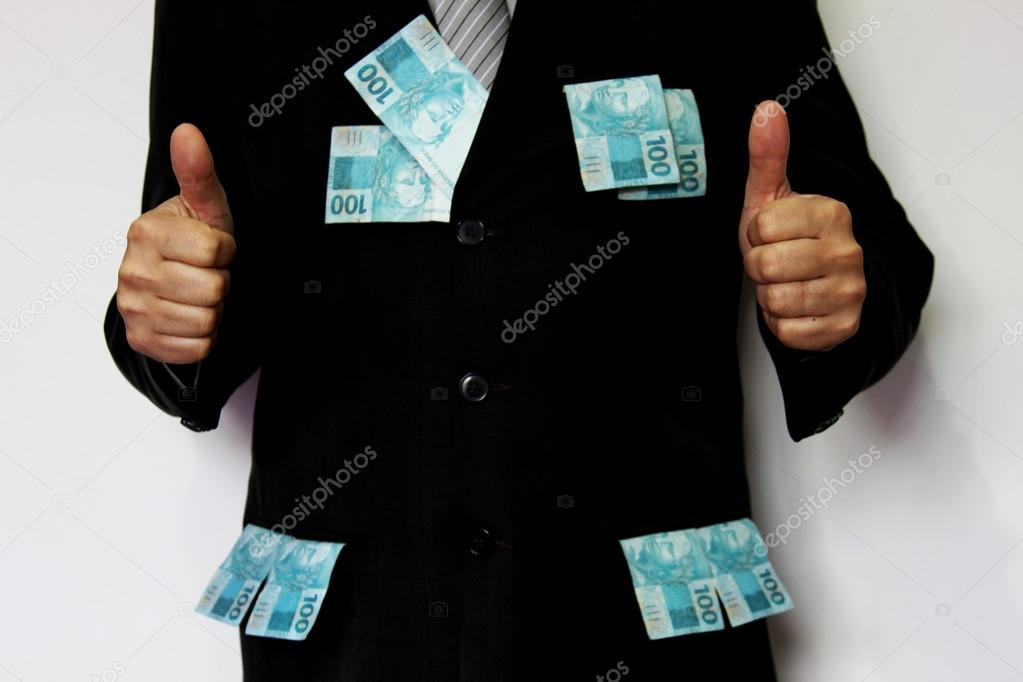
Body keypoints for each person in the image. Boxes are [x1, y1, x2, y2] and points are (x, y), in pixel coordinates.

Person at [103, 1, 934, 679]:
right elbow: (184, 239)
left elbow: (874, 251)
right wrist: (168, 323)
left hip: (643, 632)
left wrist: (829, 293)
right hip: (355, 635)